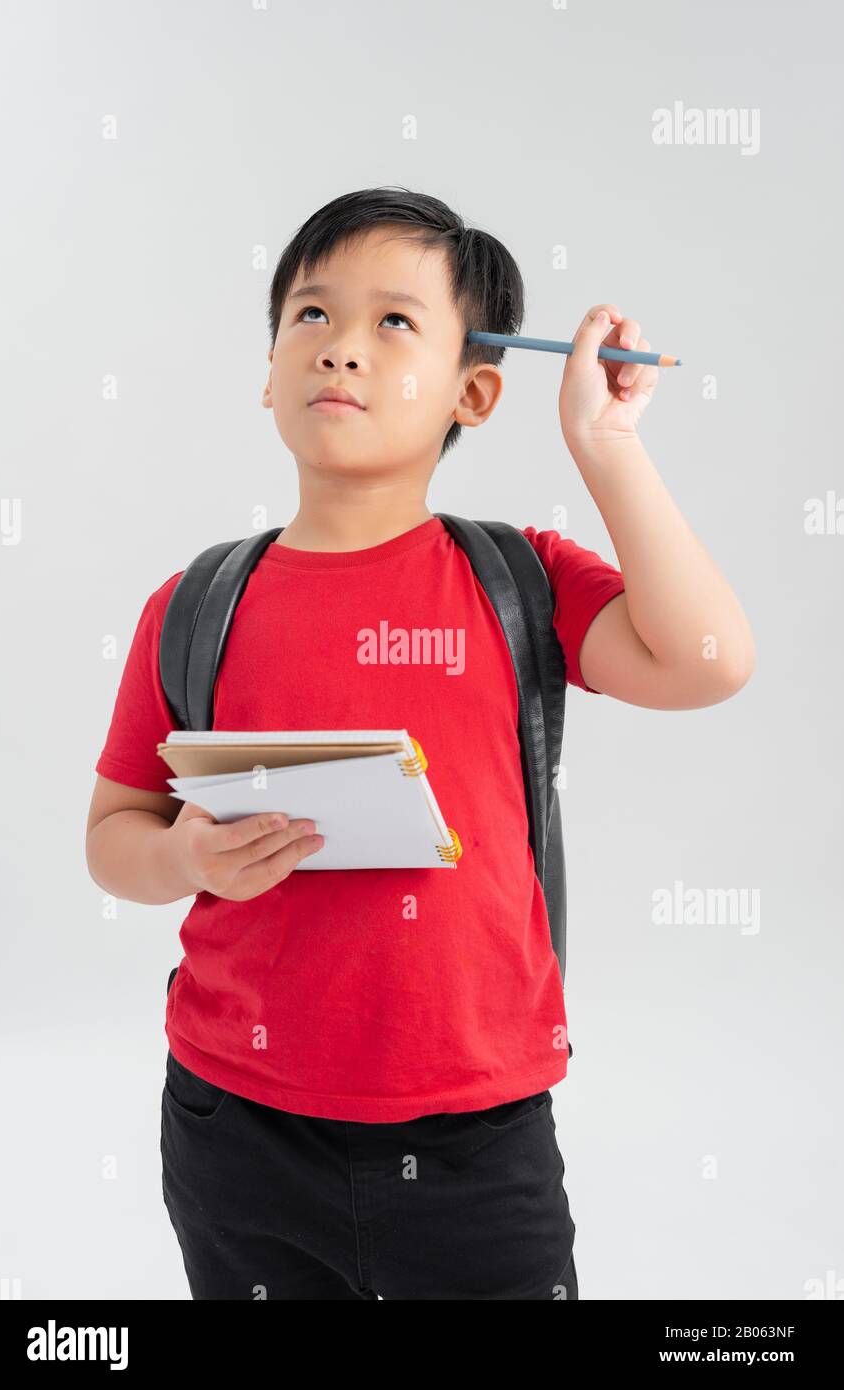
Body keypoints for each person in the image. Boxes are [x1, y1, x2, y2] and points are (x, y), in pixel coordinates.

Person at [85, 187, 755, 1300]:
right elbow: (115, 835)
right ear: (266, 374)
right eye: (310, 314)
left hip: (476, 1139)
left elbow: (708, 658)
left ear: (476, 389)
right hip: (235, 1127)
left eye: (394, 322)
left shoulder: (519, 580)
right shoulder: (193, 603)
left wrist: (605, 443)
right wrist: (184, 859)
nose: (341, 348)